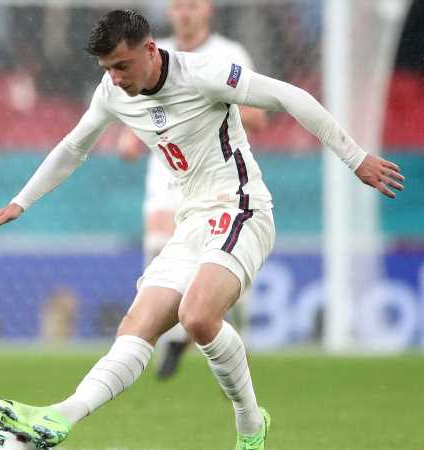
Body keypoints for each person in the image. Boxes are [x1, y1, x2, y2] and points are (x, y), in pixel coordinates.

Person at [0, 9, 402, 450]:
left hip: (242, 209)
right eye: (107, 69)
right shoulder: (113, 91)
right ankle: (61, 415)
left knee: (197, 316)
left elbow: (290, 97)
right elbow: (73, 147)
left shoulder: (202, 73)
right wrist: (19, 202)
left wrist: (356, 158)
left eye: (122, 66)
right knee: (135, 327)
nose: (116, 78)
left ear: (149, 50)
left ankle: (250, 425)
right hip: (191, 222)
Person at [117, 0, 268, 381]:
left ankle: (223, 347)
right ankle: (173, 339)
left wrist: (204, 99)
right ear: (170, 11)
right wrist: (131, 138)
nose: (185, 13)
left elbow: (258, 115)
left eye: (193, 5)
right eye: (178, 5)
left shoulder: (228, 53)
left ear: (208, 9)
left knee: (219, 277)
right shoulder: (153, 54)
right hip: (168, 177)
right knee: (158, 252)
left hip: (214, 177)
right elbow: (139, 114)